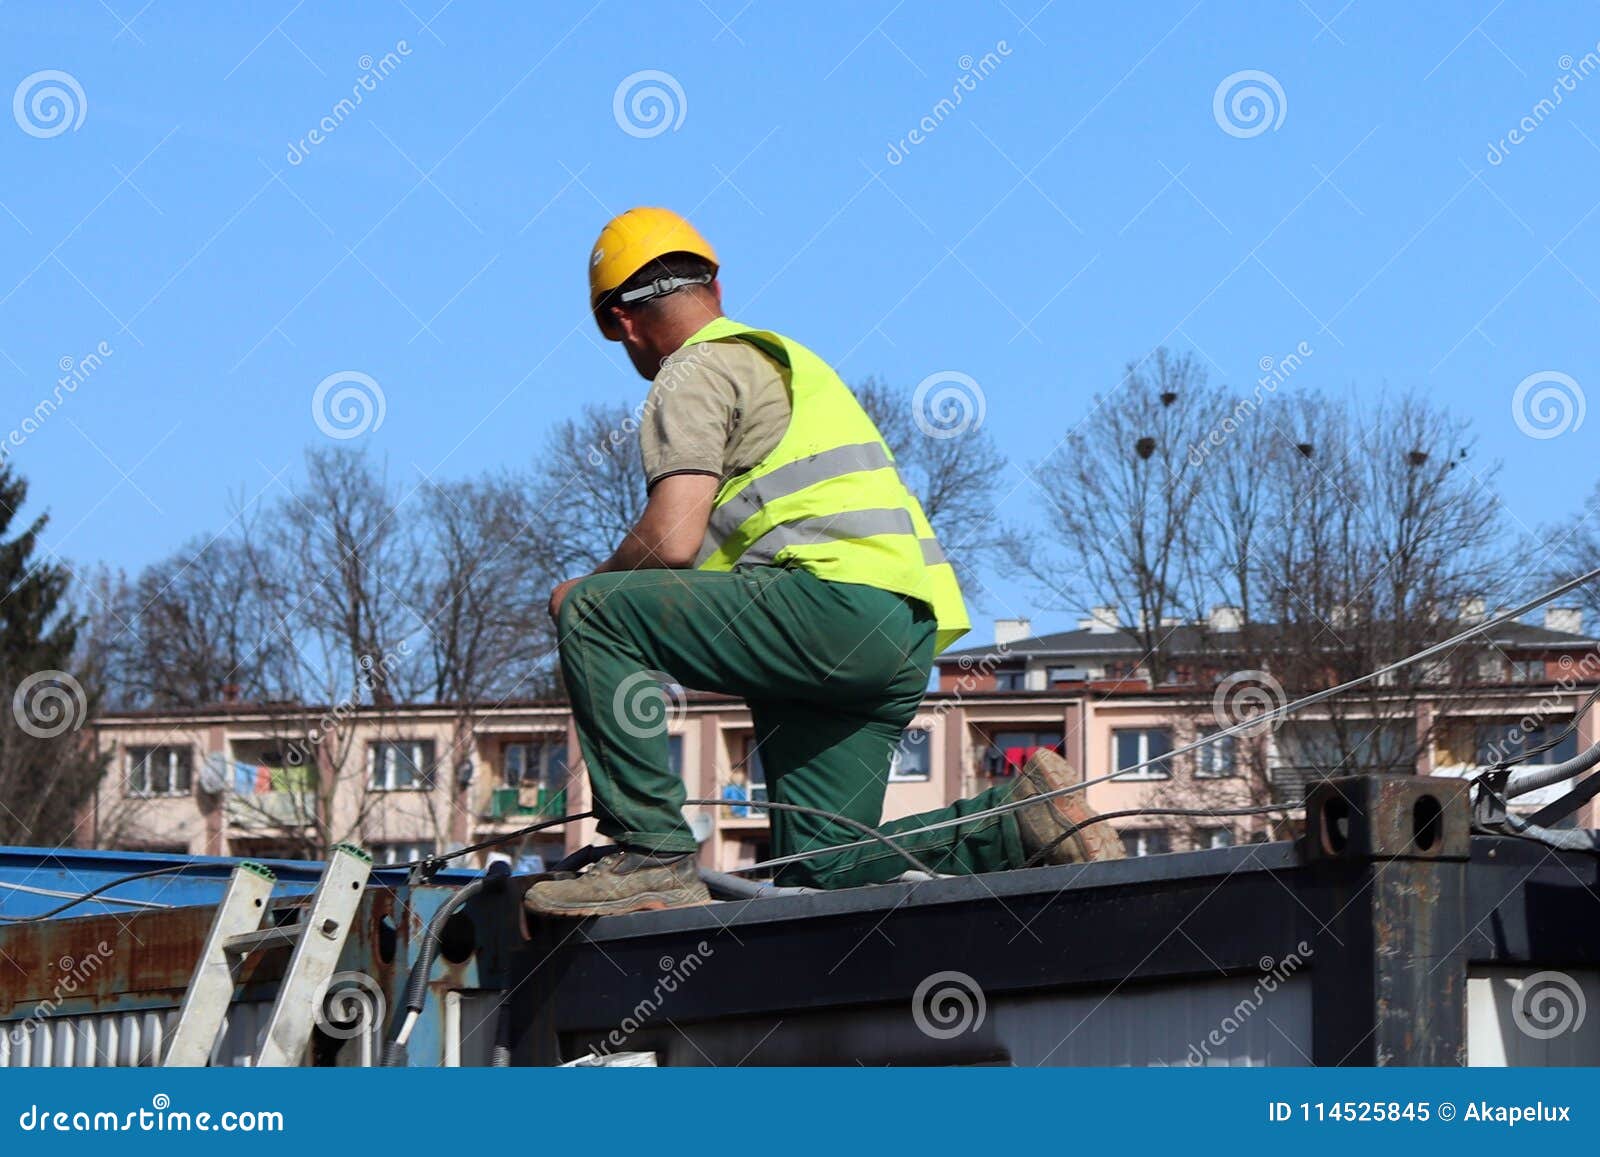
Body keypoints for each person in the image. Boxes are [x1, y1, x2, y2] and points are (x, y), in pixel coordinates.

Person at [523, 207, 1121, 918]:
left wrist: (587, 589)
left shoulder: (694, 369)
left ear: (622, 321)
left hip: (825, 613)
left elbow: (674, 536)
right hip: (894, 636)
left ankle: (650, 852)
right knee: (827, 871)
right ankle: (1014, 821)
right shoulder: (791, 365)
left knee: (594, 613)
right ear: (716, 284)